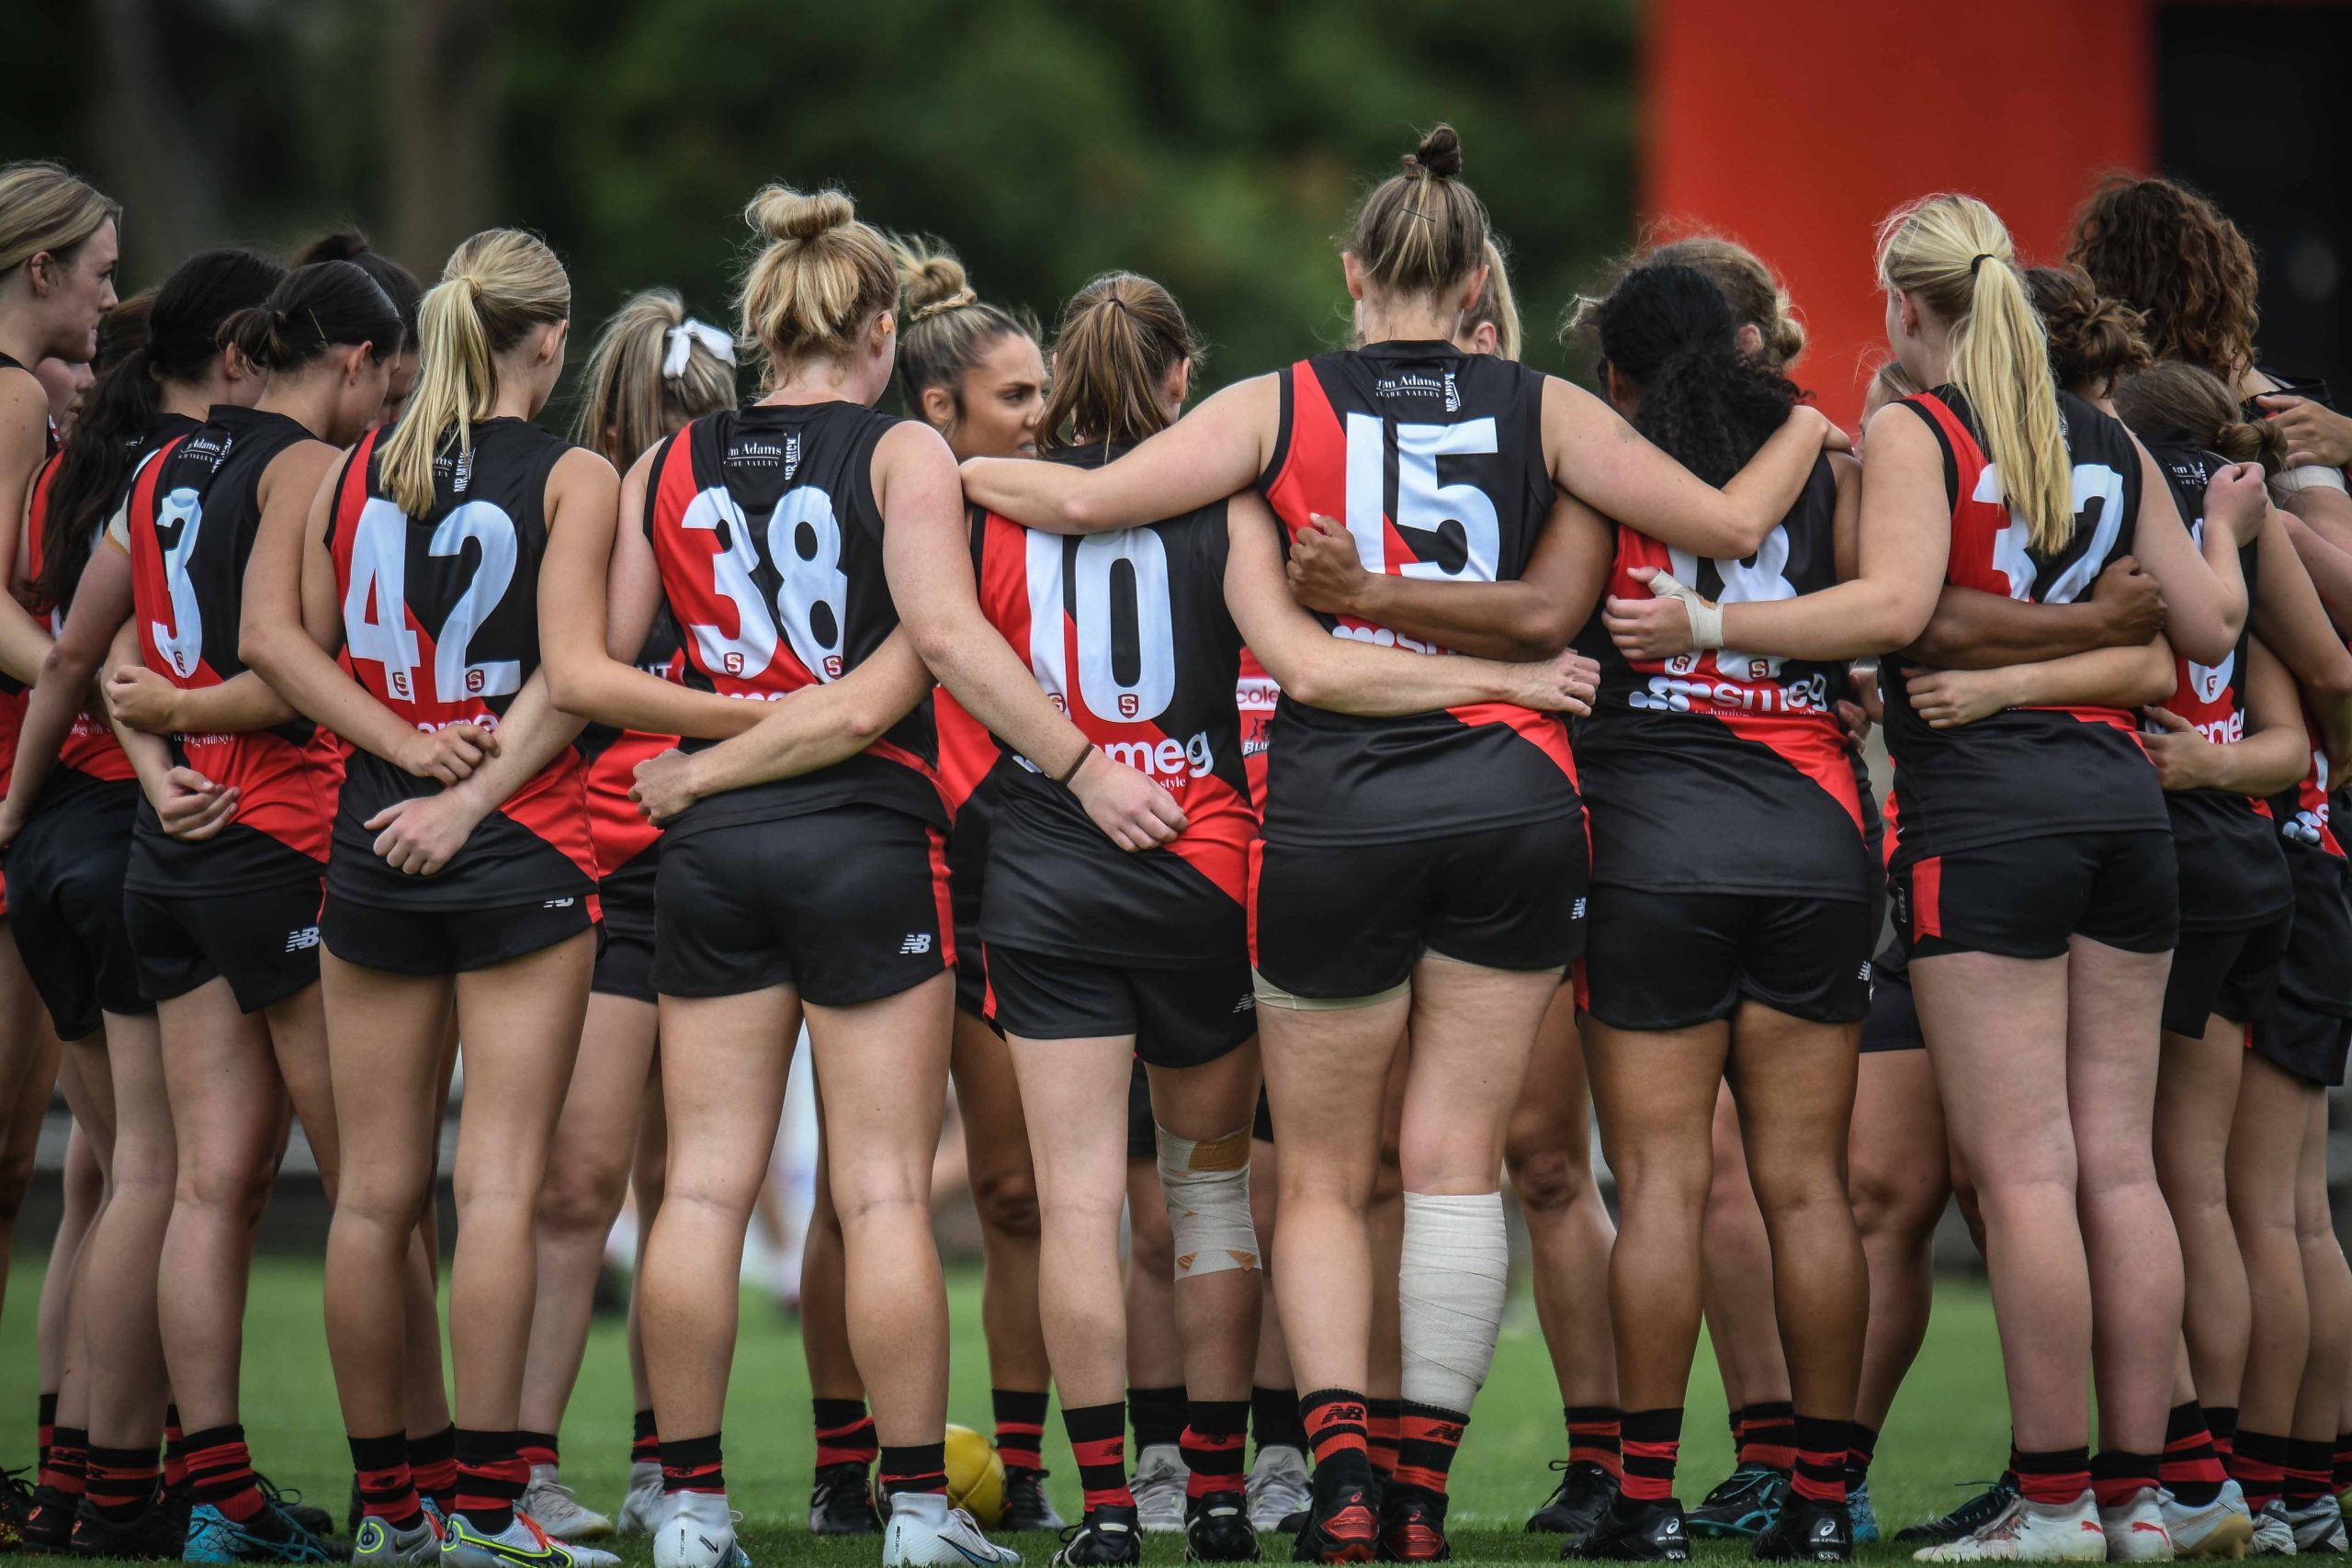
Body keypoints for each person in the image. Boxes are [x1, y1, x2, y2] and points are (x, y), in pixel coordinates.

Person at [961, 124, 1841, 1564]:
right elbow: (1732, 521)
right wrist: (1805, 419)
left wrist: (940, 479)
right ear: (1477, 273)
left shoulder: (1275, 402)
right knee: (1453, 1164)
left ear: (1354, 271)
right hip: (1515, 804)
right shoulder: (1548, 408)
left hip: (1342, 811)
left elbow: (1077, 496)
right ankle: (1425, 1498)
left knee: (1313, 1181)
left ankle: (1349, 1490)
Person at [1611, 192, 2261, 1562]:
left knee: (2025, 1177)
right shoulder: (2112, 434)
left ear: (1908, 310)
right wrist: (2215, 538)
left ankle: (2052, 1503)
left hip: (1991, 818)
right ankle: (2155, 1499)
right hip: (2125, 816)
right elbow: (2203, 630)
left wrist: (1709, 618)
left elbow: (1897, 613)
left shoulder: (1918, 426)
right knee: (2120, 1171)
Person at [539, 183, 1023, 1568]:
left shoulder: (667, 469)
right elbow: (920, 654)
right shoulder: (900, 455)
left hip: (712, 854)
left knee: (695, 1191)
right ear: (881, 328)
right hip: (865, 836)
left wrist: (704, 747)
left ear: (759, 330)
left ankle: (686, 1509)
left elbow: (606, 668)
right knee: (875, 1193)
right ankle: (920, 1514)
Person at [238, 231, 612, 1568]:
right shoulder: (574, 474)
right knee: (498, 1189)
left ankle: (394, 1514)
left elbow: (278, 641)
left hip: (368, 847)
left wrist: (403, 757)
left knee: (371, 1199)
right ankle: (493, 1510)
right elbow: (570, 678)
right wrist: (462, 792)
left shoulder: (350, 473)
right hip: (513, 847)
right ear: (550, 342)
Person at [786, 237, 1060, 1537]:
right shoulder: (894, 487)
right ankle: (849, 1465)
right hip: (900, 852)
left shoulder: (1045, 506)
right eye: (1015, 398)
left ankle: (1023, 1461)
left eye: (1044, 393)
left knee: (1013, 1192)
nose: (1042, 416)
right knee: (866, 1180)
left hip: (1010, 866)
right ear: (937, 407)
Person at [511, 289, 736, 1544]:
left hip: (714, 867)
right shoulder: (584, 511)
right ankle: (531, 1462)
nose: (678, 436)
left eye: (698, 417)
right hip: (601, 869)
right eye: (660, 415)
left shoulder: (733, 509)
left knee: (682, 1184)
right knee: (579, 1178)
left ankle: (668, 1458)